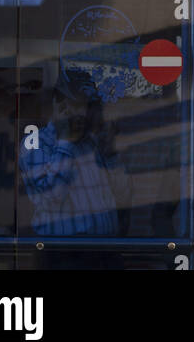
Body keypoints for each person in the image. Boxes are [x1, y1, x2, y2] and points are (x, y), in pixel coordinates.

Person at [18, 84, 121, 241]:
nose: (83, 114)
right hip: (66, 250)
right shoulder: (36, 142)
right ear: (60, 106)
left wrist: (110, 150)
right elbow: (51, 196)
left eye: (87, 107)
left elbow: (118, 192)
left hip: (105, 247)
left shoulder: (89, 142)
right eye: (77, 106)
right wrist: (65, 140)